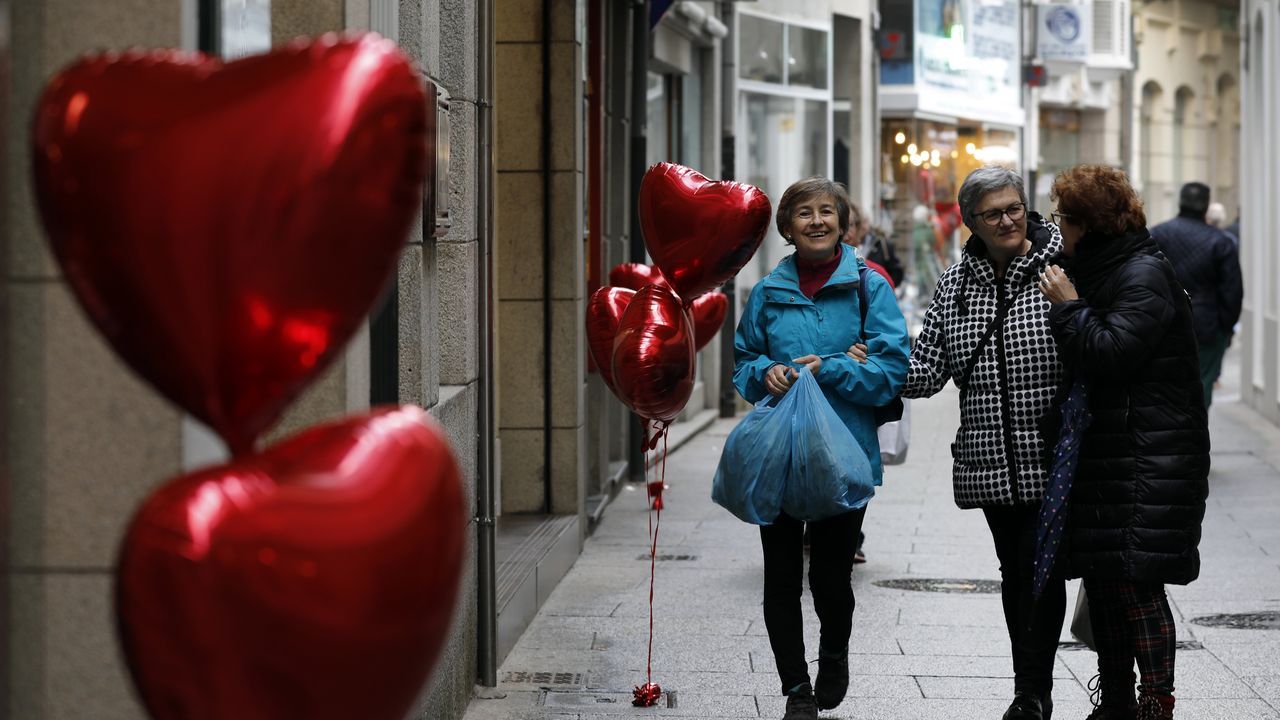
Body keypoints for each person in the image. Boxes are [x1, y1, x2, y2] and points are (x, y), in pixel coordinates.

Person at [734, 177, 909, 720]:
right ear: (787, 227)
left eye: (827, 211)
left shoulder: (868, 287)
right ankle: (796, 690)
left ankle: (834, 652)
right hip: (781, 454)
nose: (816, 221)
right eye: (804, 213)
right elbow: (742, 364)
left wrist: (830, 368)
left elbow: (890, 371)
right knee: (781, 577)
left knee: (831, 578)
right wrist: (769, 373)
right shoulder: (765, 292)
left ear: (843, 221)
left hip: (845, 457)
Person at [1039, 165, 1208, 720]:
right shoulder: (1102, 266)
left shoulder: (1142, 274)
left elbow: (1111, 352)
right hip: (1114, 453)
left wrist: (1067, 308)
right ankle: (1114, 702)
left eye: (1064, 217)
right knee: (1106, 583)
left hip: (1150, 458)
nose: (1058, 228)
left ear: (1088, 223)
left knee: (1136, 585)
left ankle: (1156, 702)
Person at [898, 165, 1066, 720]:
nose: (1007, 220)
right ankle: (1029, 686)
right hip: (989, 460)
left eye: (1014, 208)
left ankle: (1032, 693)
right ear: (971, 221)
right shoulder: (956, 285)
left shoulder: (1062, 267)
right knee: (1015, 571)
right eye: (992, 213)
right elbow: (925, 374)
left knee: (1040, 569)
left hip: (1055, 456)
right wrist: (865, 360)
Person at [839, 200, 898, 564]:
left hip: (856, 410)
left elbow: (890, 357)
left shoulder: (871, 279)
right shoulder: (777, 286)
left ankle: (848, 534)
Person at [1149, 182, 1243, 407]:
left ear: (1180, 202)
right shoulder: (1220, 242)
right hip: (1206, 325)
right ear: (1206, 206)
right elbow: (1232, 291)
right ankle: (1196, 437)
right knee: (1202, 385)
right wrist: (1226, 327)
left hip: (1163, 323)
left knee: (1165, 386)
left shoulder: (1158, 235)